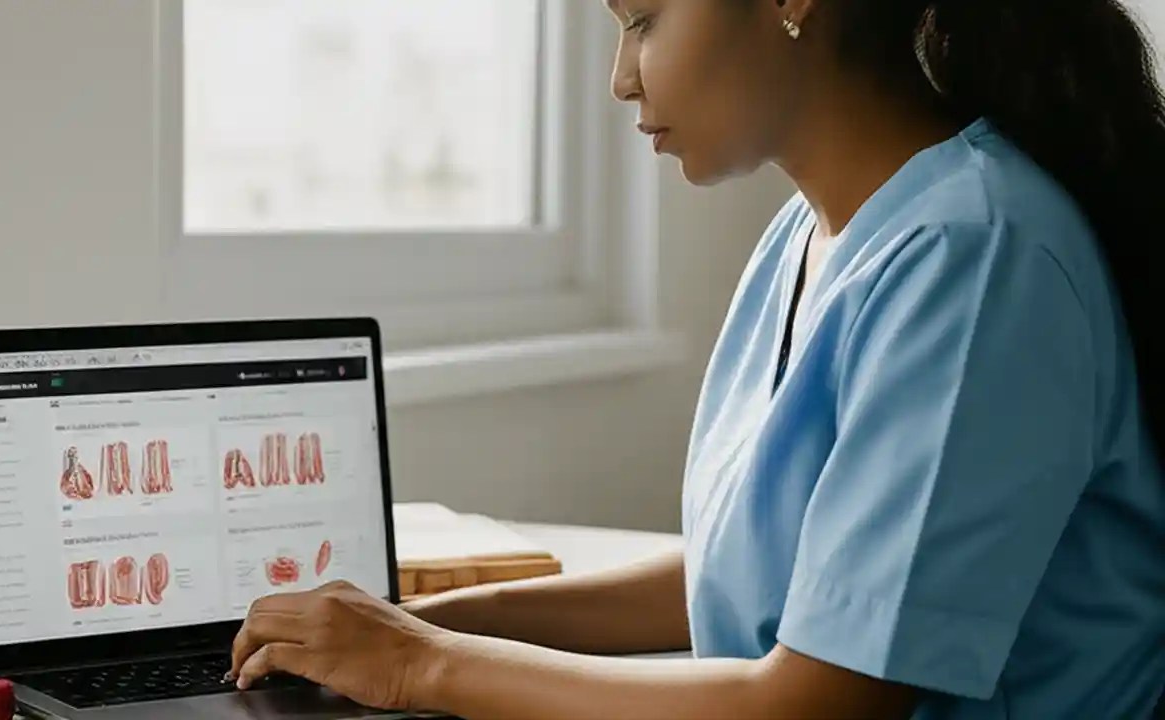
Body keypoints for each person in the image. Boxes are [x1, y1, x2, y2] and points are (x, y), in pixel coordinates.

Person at [226, 0, 1165, 716]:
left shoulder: (977, 254)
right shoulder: (808, 236)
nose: (620, 80)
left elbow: (816, 702)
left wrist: (419, 665)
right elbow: (764, 577)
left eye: (643, 21)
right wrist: (439, 622)